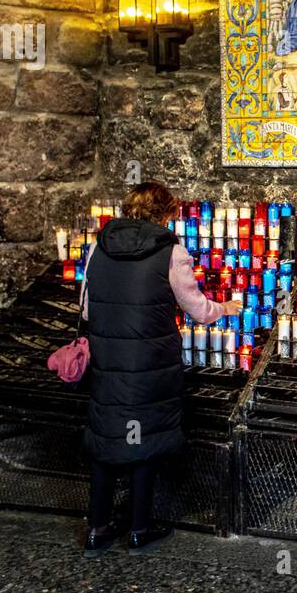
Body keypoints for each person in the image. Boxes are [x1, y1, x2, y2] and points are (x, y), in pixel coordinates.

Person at [78, 181, 241, 558]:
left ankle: (97, 529)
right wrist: (227, 309)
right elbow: (197, 309)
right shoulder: (171, 252)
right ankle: (138, 529)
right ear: (168, 214)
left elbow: (87, 310)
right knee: (143, 441)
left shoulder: (98, 249)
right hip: (149, 365)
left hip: (108, 361)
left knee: (105, 440)